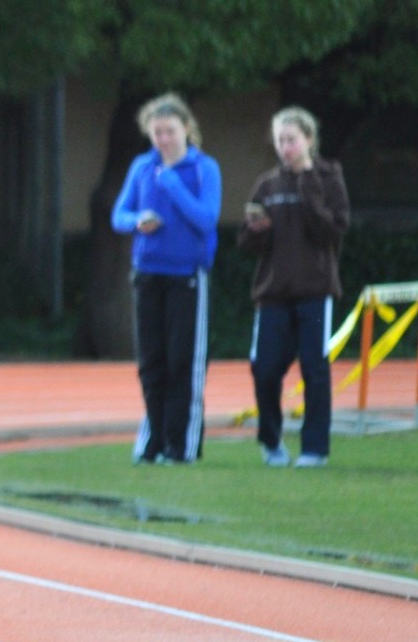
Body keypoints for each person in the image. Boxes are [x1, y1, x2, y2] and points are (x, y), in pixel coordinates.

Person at [112, 92, 223, 465]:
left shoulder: (204, 168)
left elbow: (206, 219)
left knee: (183, 362)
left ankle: (182, 445)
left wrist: (174, 186)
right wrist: (137, 221)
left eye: (170, 131)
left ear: (186, 129)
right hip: (147, 274)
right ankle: (152, 441)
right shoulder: (142, 167)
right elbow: (119, 215)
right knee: (151, 362)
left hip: (187, 277)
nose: (163, 139)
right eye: (156, 132)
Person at [236, 106, 350, 468]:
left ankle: (315, 450)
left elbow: (333, 231)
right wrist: (255, 231)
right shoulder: (267, 185)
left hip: (315, 292)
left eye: (291, 139)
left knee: (315, 370)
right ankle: (271, 442)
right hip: (273, 294)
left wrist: (309, 191)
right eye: (279, 140)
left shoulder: (329, 177)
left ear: (309, 140)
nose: (285, 147)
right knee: (265, 369)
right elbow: (246, 243)